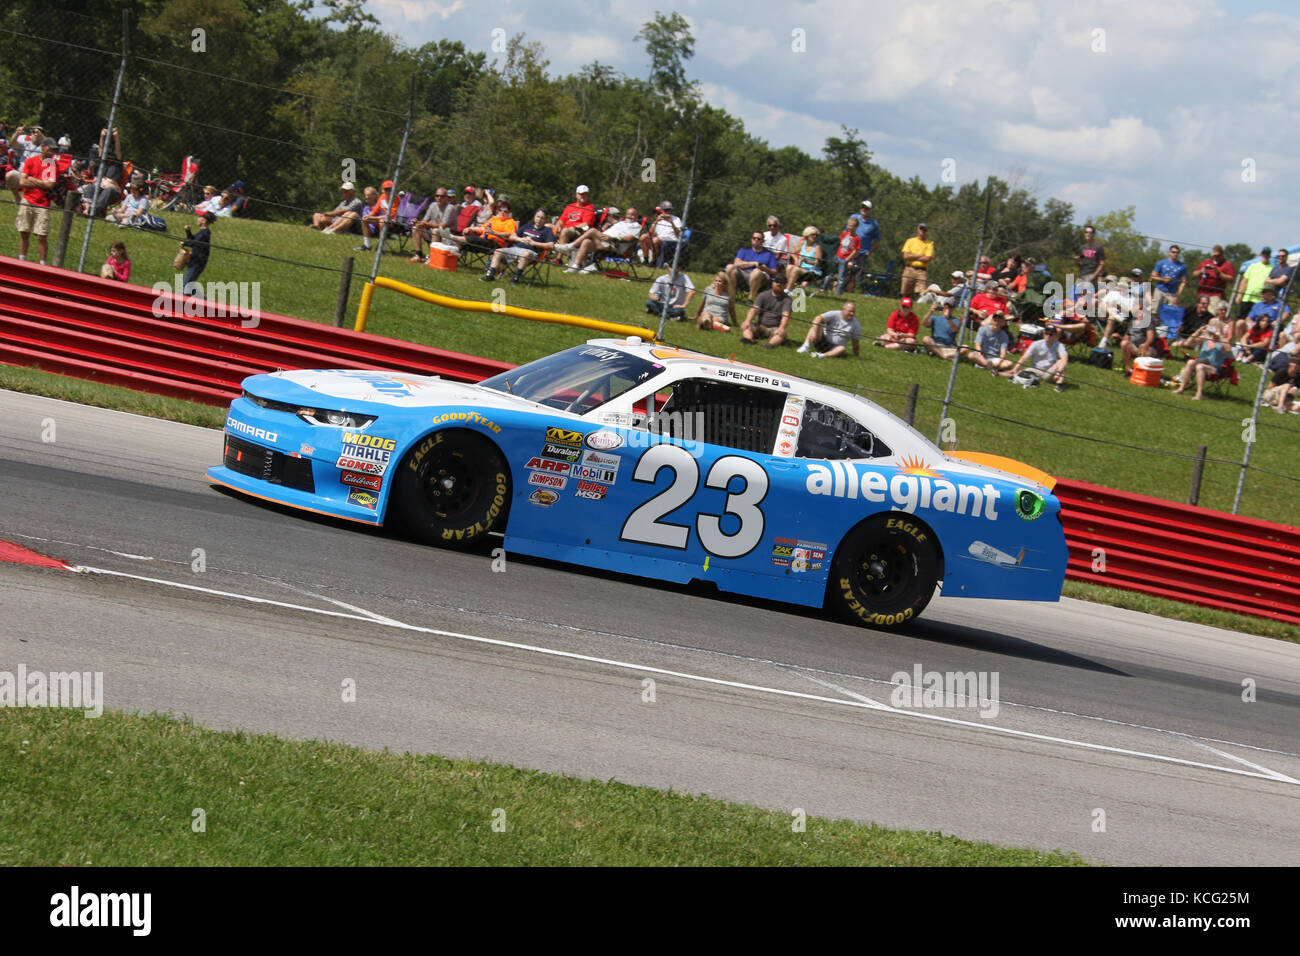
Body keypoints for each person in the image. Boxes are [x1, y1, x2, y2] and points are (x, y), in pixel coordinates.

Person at [15, 136, 59, 264]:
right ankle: (21, 259)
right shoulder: (30, 161)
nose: (53, 153)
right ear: (44, 148)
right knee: (24, 231)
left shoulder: (51, 164)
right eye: (51, 150)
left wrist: (32, 180)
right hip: (28, 199)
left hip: (43, 203)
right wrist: (41, 183)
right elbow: (22, 182)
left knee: (42, 235)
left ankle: (42, 263)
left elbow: (50, 185)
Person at [560, 206, 641, 273]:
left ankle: (570, 247)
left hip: (614, 244)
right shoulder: (622, 223)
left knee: (592, 231)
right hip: (604, 240)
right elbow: (611, 221)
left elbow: (629, 238)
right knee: (586, 242)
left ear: (637, 216)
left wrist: (613, 238)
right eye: (628, 214)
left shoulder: (636, 226)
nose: (629, 216)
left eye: (632, 215)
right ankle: (575, 267)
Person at [485, 208, 556, 284]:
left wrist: (534, 243)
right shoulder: (527, 226)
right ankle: (490, 275)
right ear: (534, 217)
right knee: (498, 251)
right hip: (516, 248)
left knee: (525, 254)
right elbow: (512, 236)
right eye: (538, 217)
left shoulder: (547, 230)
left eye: (542, 218)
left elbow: (551, 245)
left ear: (545, 220)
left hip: (532, 253)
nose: (539, 219)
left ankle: (516, 278)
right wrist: (520, 239)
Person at [1009, 324, 1069, 390]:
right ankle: (999, 373)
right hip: (1035, 370)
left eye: (1051, 334)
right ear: (1044, 333)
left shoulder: (1059, 345)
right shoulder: (1036, 344)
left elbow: (1064, 358)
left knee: (1062, 361)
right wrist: (1015, 368)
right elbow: (1024, 357)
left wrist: (1058, 372)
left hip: (1049, 372)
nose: (1048, 335)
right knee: (1019, 373)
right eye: (1046, 333)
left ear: (1054, 335)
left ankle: (1059, 385)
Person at [408, 187, 459, 263]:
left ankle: (432, 257)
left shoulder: (450, 208)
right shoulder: (433, 205)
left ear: (446, 198)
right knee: (416, 228)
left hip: (448, 236)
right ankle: (418, 255)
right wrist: (417, 222)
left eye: (442, 196)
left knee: (436, 231)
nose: (439, 198)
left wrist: (427, 224)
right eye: (437, 196)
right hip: (432, 233)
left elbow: (443, 226)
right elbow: (425, 220)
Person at [740, 273, 792, 347]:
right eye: (777, 281)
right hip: (760, 326)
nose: (779, 284)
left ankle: (770, 344)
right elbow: (754, 310)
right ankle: (748, 339)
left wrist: (782, 327)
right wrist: (748, 321)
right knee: (745, 325)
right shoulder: (763, 295)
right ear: (772, 283)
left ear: (785, 286)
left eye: (782, 282)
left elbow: (786, 315)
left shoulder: (787, 300)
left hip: (774, 329)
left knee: (782, 333)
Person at [1172, 332, 1229, 400]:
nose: (1214, 333)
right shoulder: (1206, 340)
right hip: (1201, 363)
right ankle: (1181, 389)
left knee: (1200, 366)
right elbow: (1188, 343)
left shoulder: (1221, 344)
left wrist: (1220, 336)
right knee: (1190, 362)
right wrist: (1199, 330)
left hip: (1214, 368)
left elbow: (1228, 349)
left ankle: (1199, 394)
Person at [725, 231, 781, 300]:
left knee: (757, 271)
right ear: (751, 239)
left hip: (760, 277)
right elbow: (736, 263)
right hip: (743, 274)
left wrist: (765, 269)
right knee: (729, 267)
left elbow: (775, 272)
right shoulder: (744, 250)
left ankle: (750, 299)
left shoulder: (769, 255)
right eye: (754, 238)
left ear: (763, 241)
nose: (756, 240)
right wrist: (754, 263)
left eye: (758, 239)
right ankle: (731, 296)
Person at [796, 301, 861, 358]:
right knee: (816, 326)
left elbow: (855, 342)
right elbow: (817, 318)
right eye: (850, 311)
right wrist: (815, 332)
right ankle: (805, 347)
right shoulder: (834, 314)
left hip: (835, 348)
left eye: (853, 312)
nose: (852, 314)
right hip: (821, 341)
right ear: (843, 309)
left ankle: (821, 356)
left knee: (842, 349)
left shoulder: (856, 324)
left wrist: (856, 355)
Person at [476, 199, 519, 280]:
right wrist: (471, 229)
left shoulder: (510, 221)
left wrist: (494, 233)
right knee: (471, 239)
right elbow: (482, 228)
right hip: (484, 239)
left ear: (509, 213)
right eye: (500, 210)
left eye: (505, 211)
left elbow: (509, 234)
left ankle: (453, 238)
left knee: (471, 240)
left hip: (497, 243)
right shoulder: (493, 219)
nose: (502, 212)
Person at [1192, 245, 1235, 313]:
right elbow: (1194, 274)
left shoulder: (1227, 264)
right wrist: (1201, 271)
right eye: (1214, 255)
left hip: (1215, 294)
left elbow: (1231, 279)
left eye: (1218, 255)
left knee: (1211, 313)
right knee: (1198, 312)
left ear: (1221, 254)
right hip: (1201, 293)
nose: (1216, 257)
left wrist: (1219, 273)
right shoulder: (1206, 262)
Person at [638, 200, 682, 266]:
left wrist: (672, 223)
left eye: (669, 210)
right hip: (658, 240)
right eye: (666, 210)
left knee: (655, 240)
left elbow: (678, 235)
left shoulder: (676, 219)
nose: (668, 212)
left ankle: (653, 262)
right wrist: (656, 221)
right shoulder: (659, 219)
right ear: (661, 210)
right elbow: (650, 234)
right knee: (643, 237)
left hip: (671, 241)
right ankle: (646, 260)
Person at [1234, 247, 1273, 319]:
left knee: (1256, 320)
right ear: (1261, 255)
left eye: (1267, 254)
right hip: (1247, 298)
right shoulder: (1253, 266)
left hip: (1260, 300)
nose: (1265, 256)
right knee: (1242, 319)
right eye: (1264, 254)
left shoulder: (1272, 268)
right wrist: (1239, 295)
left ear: (1269, 256)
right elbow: (1244, 281)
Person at [1121, 298, 1158, 374]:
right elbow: (1127, 335)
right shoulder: (1133, 320)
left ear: (1140, 306)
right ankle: (1129, 369)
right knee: (1124, 343)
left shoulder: (1148, 319)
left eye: (1134, 305)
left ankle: (1142, 372)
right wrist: (1120, 338)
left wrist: (1145, 345)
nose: (1132, 307)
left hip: (1148, 348)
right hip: (1135, 347)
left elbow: (1151, 336)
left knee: (1146, 350)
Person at [1148, 245, 1187, 317]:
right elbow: (1152, 277)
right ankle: (1152, 326)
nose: (1175, 254)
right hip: (1160, 290)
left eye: (1177, 252)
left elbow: (1183, 282)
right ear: (1169, 252)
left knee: (1170, 313)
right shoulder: (1161, 263)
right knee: (1154, 311)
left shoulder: (1182, 266)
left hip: (1172, 293)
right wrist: (1163, 279)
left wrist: (1178, 295)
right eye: (1173, 252)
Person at [181, 211, 215, 288]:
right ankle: (202, 299)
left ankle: (190, 298)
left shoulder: (205, 233)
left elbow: (194, 242)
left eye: (199, 217)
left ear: (204, 220)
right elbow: (192, 239)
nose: (197, 218)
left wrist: (184, 243)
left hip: (198, 262)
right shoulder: (202, 232)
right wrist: (188, 231)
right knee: (189, 286)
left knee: (185, 286)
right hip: (195, 261)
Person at [899, 223, 934, 297]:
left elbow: (927, 258)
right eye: (921, 228)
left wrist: (912, 256)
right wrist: (919, 255)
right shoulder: (910, 241)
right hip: (909, 269)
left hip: (922, 271)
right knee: (906, 292)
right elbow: (905, 256)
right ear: (918, 229)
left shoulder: (929, 243)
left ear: (927, 231)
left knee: (921, 293)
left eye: (924, 229)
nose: (922, 231)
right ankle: (905, 306)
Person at [833, 217, 862, 294]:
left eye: (851, 226)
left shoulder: (856, 238)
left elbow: (856, 250)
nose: (849, 227)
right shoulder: (844, 233)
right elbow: (839, 242)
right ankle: (825, 288)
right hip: (838, 255)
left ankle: (838, 292)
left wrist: (848, 258)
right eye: (848, 225)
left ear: (855, 227)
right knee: (831, 273)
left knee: (841, 277)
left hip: (845, 258)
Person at [1074, 224, 1106, 289]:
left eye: (1090, 232)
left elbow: (1102, 263)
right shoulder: (1082, 247)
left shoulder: (1098, 247)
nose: (1088, 234)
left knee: (1087, 295)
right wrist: (1078, 260)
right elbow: (1080, 264)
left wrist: (1094, 275)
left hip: (1091, 276)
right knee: (1076, 295)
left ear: (1093, 234)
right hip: (1081, 275)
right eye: (1086, 232)